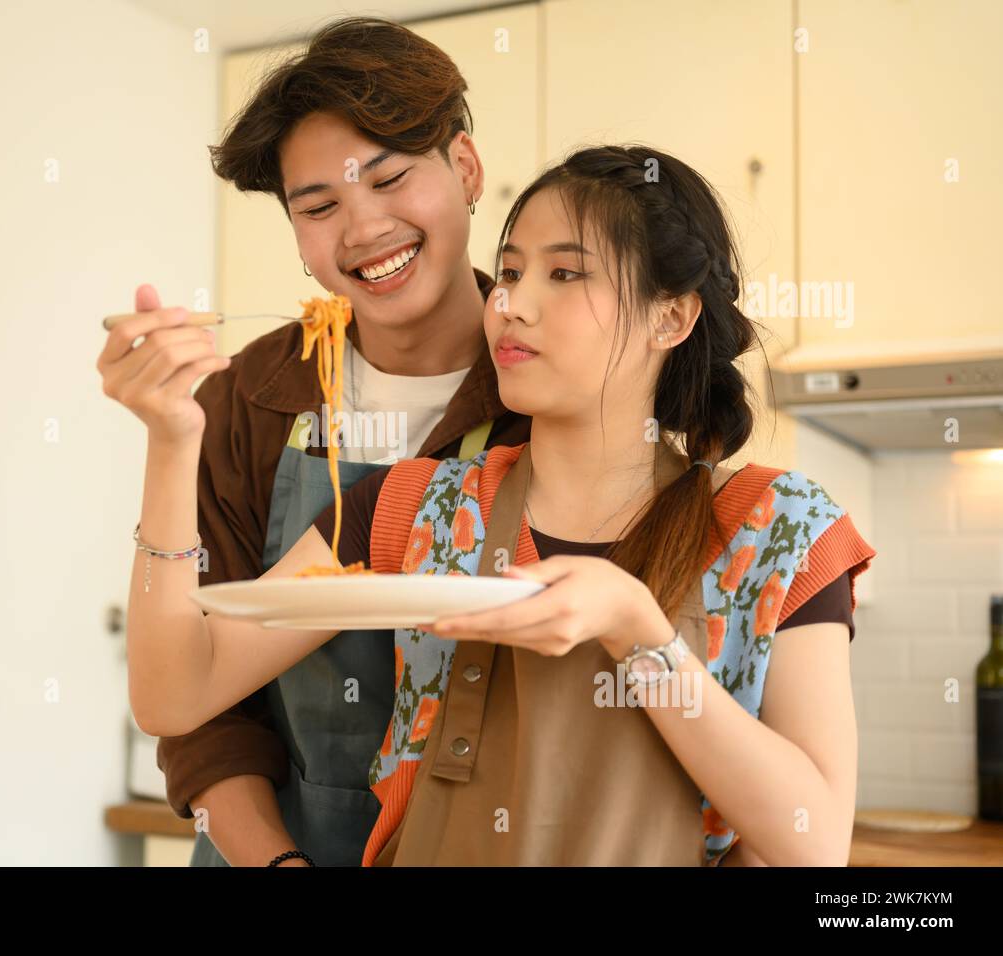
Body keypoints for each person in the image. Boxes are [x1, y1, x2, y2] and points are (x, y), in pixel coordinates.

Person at [105, 143, 877, 866]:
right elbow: (177, 691)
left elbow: (814, 842)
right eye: (509, 271)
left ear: (670, 317)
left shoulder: (781, 531)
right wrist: (173, 440)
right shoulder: (415, 507)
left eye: (565, 276)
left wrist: (637, 630)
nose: (512, 303)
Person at [99, 17, 530, 867]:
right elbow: (195, 706)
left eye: (391, 178)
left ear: (467, 169)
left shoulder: (543, 387)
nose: (363, 229)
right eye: (320, 206)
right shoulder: (253, 395)